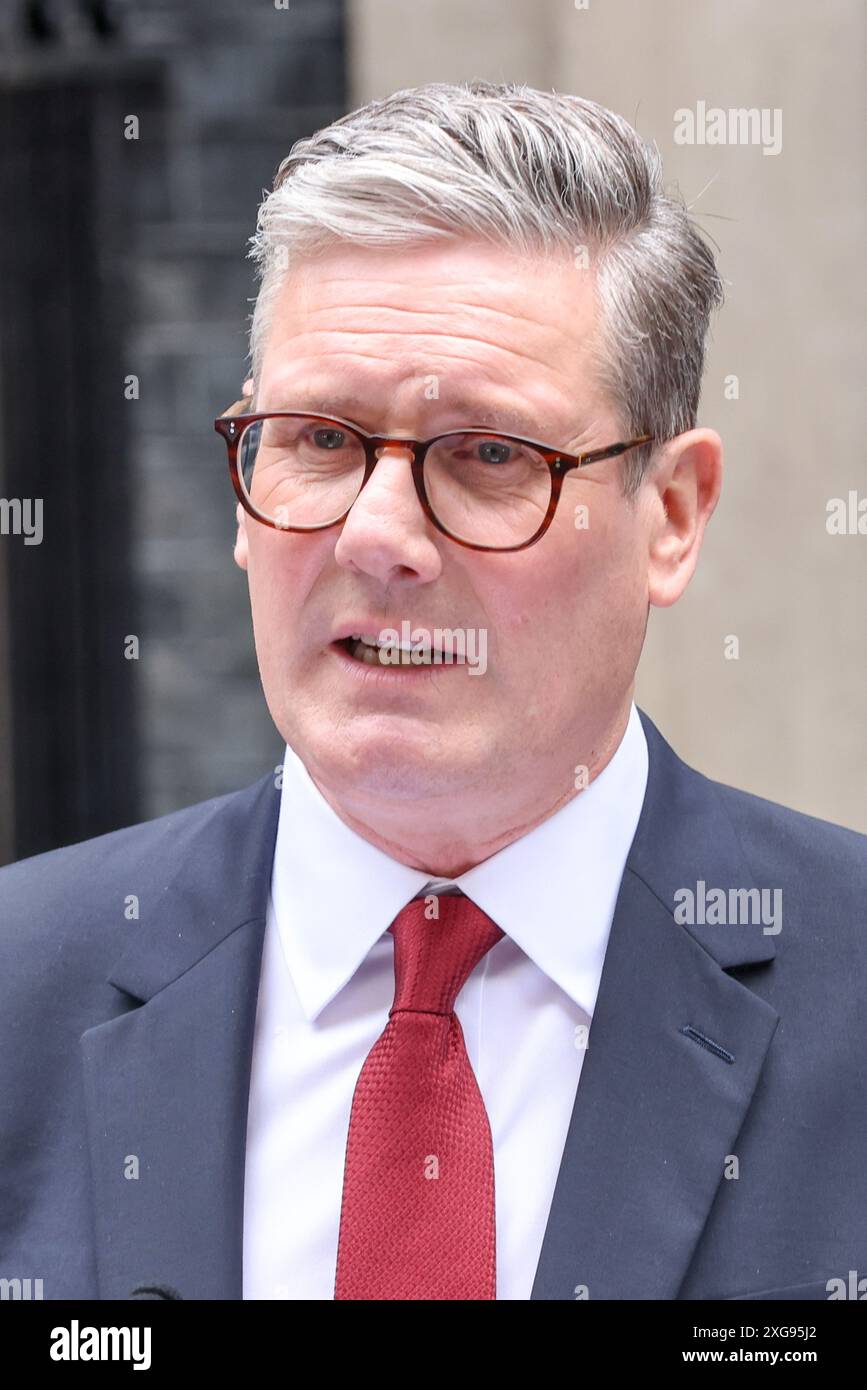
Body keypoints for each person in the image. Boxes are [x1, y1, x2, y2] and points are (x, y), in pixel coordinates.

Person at [0, 81, 863, 1303]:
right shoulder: (17, 994)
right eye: (318, 439)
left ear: (670, 516)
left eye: (492, 455)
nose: (379, 537)